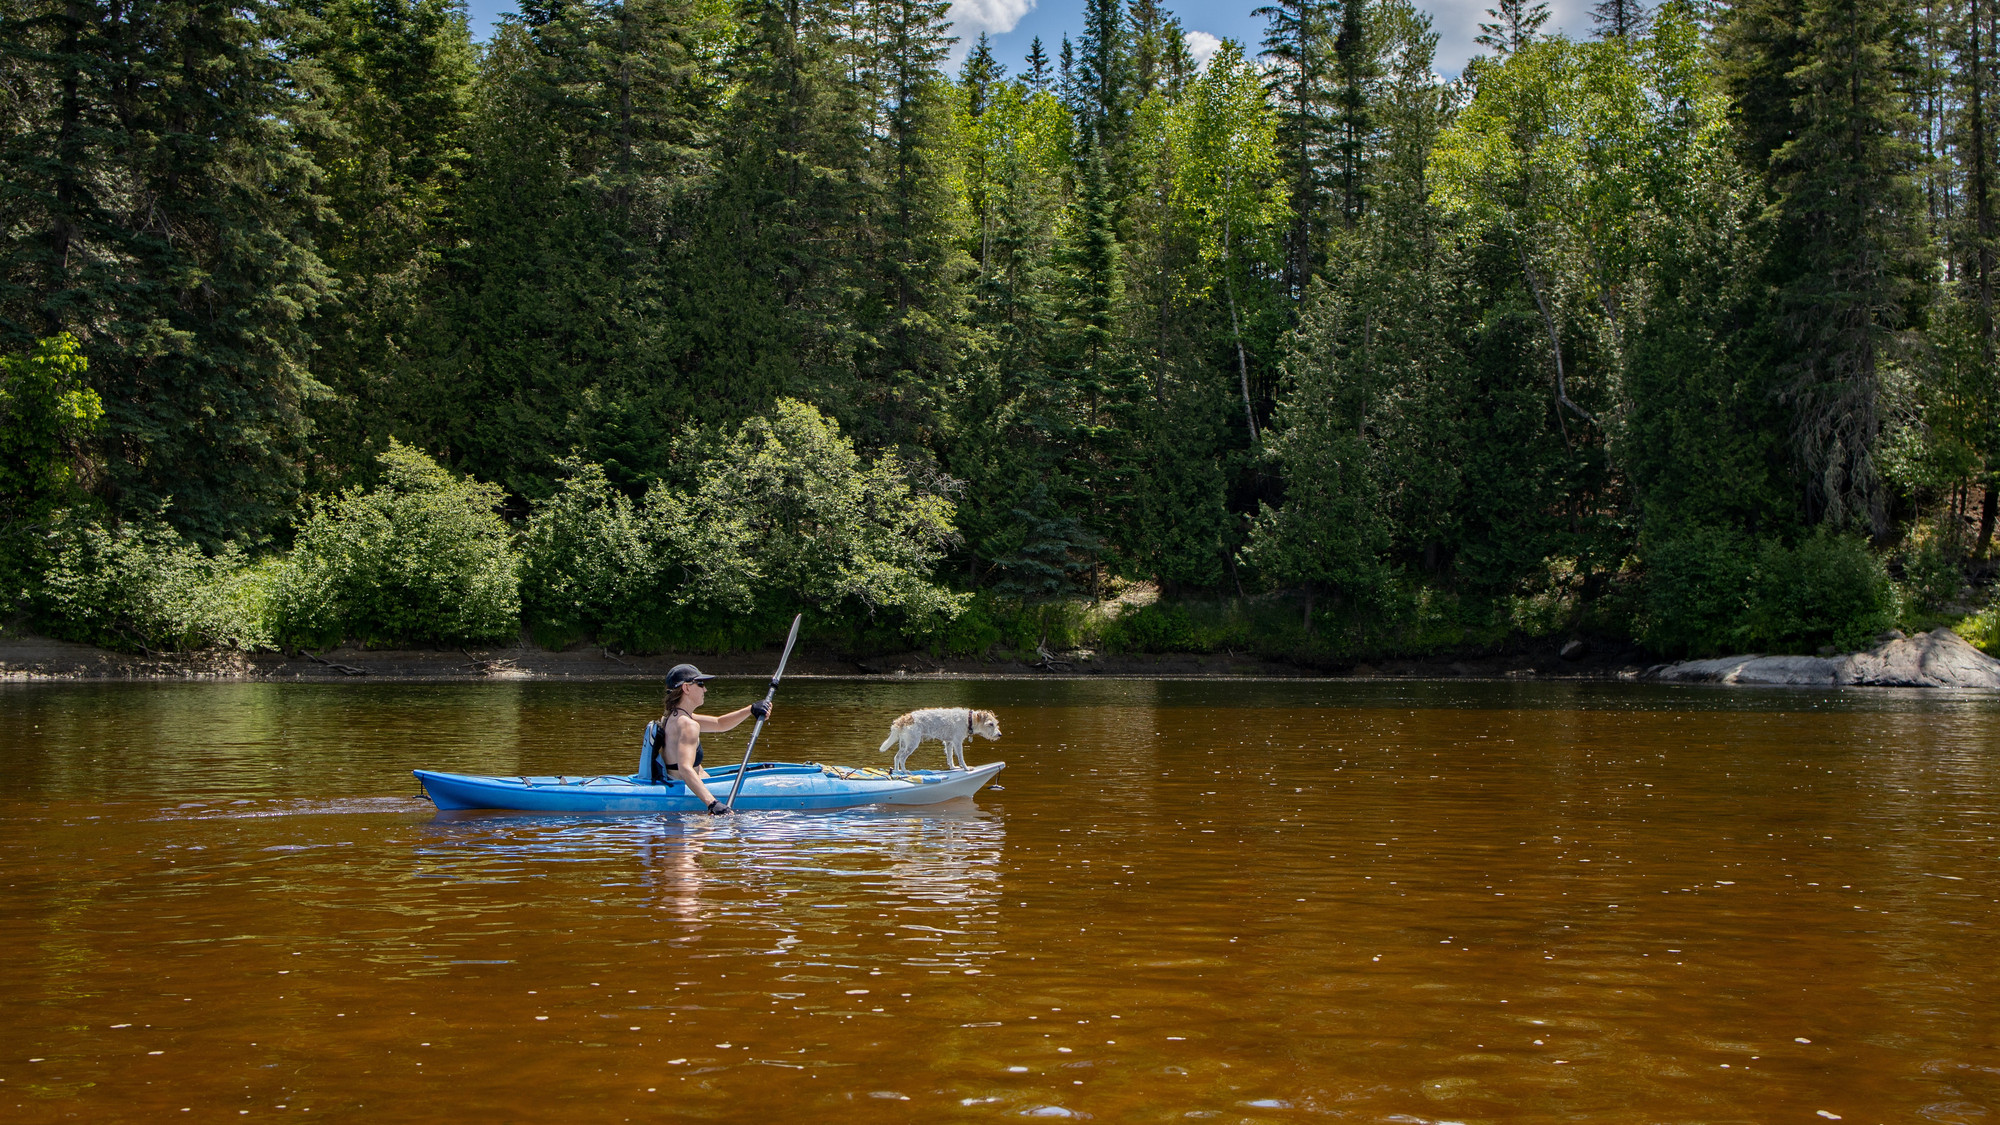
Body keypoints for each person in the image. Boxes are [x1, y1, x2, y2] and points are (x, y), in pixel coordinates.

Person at [650, 664, 771, 814]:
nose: (705, 689)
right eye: (700, 684)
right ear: (686, 688)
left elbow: (719, 724)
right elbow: (685, 768)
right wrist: (712, 803)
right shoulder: (688, 725)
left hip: (679, 782)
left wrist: (751, 709)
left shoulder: (671, 717)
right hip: (689, 789)